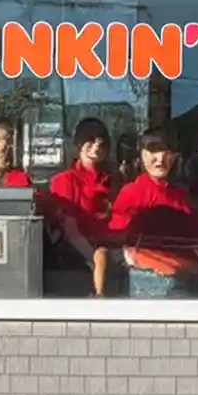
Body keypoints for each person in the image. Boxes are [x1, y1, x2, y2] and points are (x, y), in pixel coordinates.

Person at [109, 130, 198, 297]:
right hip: (147, 280)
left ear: (174, 157)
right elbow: (120, 242)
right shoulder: (132, 192)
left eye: (167, 152)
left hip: (185, 279)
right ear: (143, 156)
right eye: (153, 151)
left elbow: (195, 242)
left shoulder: (181, 196)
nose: (160, 159)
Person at [47, 118, 115, 297]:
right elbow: (71, 232)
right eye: (90, 140)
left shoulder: (114, 181)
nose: (97, 146)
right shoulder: (65, 181)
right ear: (78, 145)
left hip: (114, 253)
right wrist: (96, 262)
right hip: (78, 260)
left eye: (102, 142)